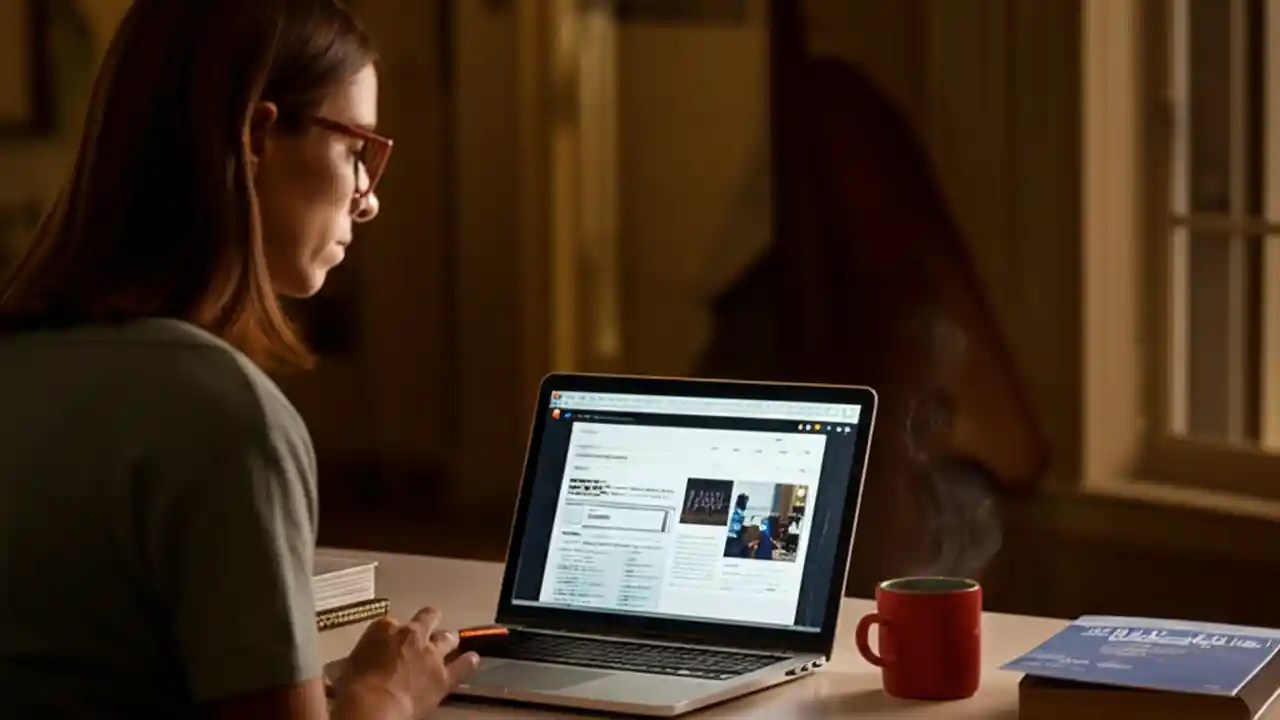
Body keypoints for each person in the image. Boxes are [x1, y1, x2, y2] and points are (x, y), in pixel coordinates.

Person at [0, 1, 476, 718]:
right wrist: (387, 693)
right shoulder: (220, 413)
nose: (367, 200)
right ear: (257, 133)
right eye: (356, 151)